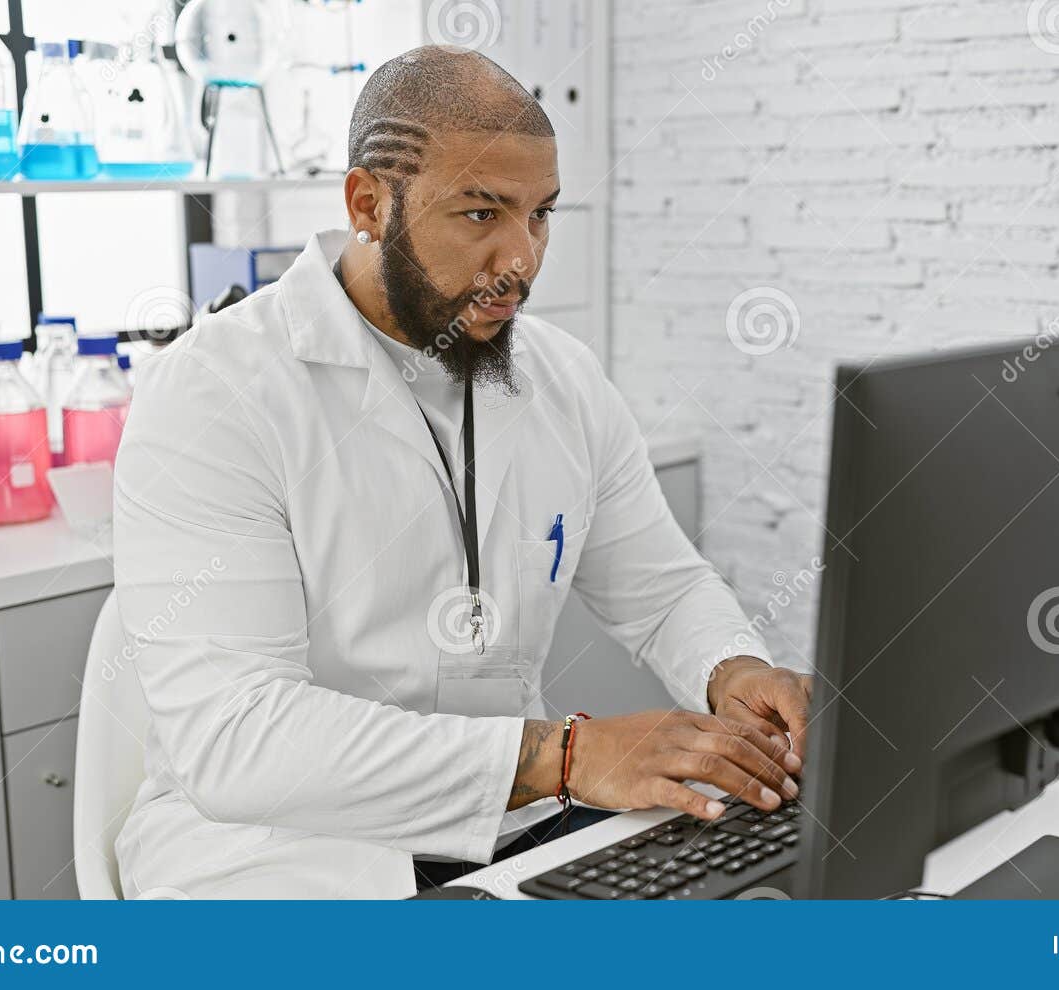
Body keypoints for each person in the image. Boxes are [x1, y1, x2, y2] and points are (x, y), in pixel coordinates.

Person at [111, 45, 811, 899]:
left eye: (541, 214)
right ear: (369, 203)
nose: (522, 259)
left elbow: (661, 590)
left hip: (514, 830)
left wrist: (734, 671)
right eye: (481, 215)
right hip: (279, 860)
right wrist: (567, 755)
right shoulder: (216, 393)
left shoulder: (563, 379)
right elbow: (238, 741)